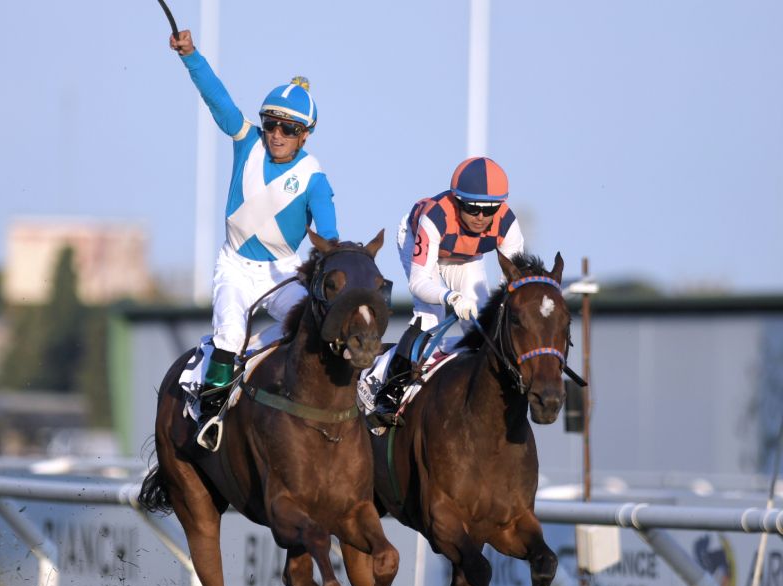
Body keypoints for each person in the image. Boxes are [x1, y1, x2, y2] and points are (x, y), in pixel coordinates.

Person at [170, 28, 339, 428]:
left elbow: (329, 239)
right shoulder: (247, 141)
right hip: (235, 267)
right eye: (271, 125)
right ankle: (206, 414)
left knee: (313, 328)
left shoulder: (315, 178)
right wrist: (190, 54)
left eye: (289, 129)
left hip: (281, 272)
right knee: (230, 334)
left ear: (306, 135)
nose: (277, 135)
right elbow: (218, 99)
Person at [372, 156, 524, 426]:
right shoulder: (435, 218)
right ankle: (386, 390)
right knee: (431, 316)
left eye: (488, 210)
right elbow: (418, 283)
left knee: (480, 326)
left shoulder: (508, 224)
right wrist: (450, 296)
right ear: (456, 201)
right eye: (471, 208)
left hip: (466, 259)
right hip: (419, 242)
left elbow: (514, 283)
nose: (480, 217)